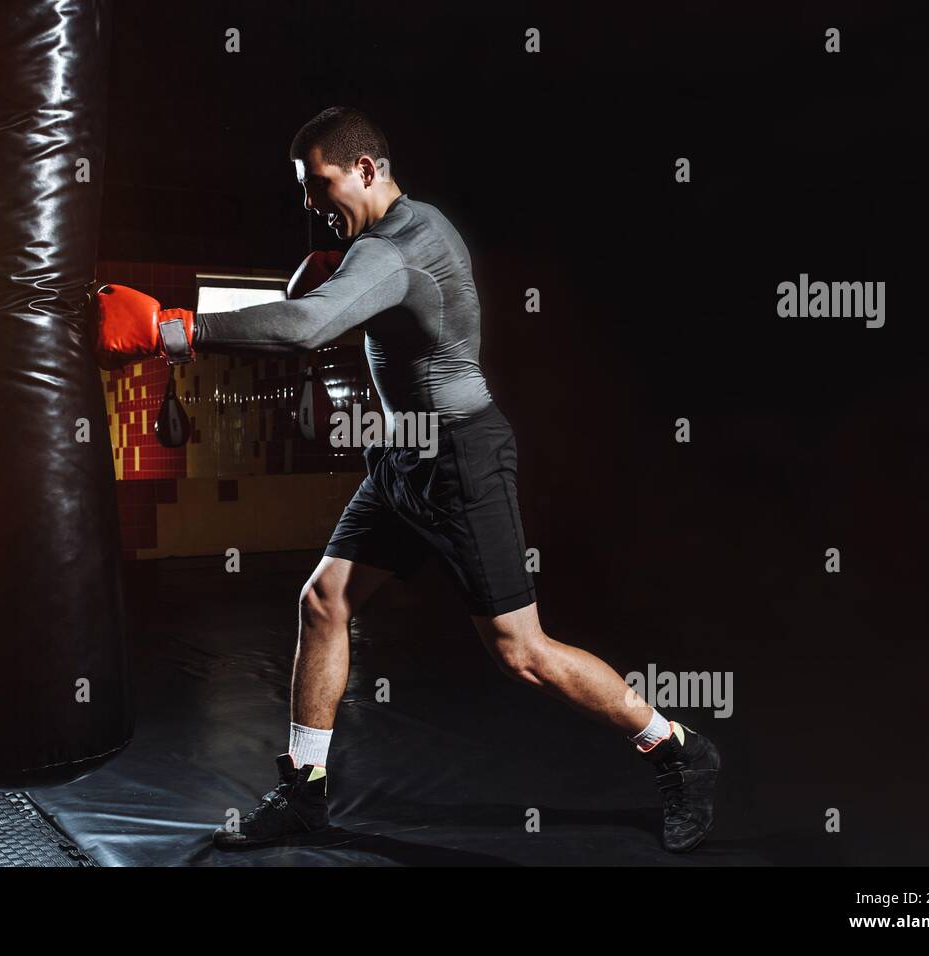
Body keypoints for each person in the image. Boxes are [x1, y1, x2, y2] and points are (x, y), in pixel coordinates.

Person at [93, 106, 721, 854]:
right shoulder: (377, 244)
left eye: (318, 184)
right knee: (324, 601)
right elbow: (317, 316)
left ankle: (675, 745)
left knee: (521, 653)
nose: (309, 205)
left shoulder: (400, 248)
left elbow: (306, 327)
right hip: (402, 455)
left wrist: (176, 329)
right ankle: (306, 791)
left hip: (460, 457)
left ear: (366, 170)